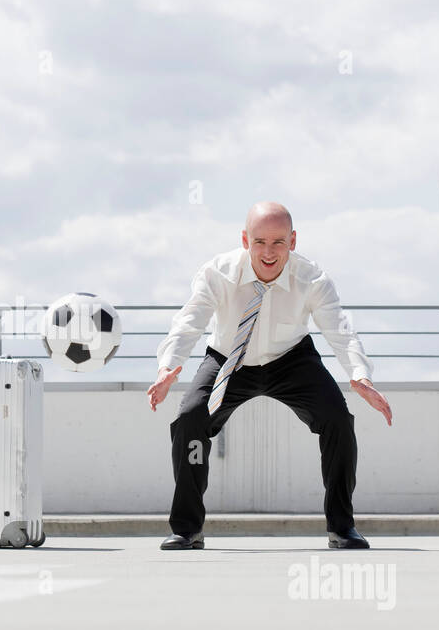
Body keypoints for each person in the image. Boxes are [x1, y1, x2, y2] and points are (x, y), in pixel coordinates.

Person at [146, 202, 393, 551]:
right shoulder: (218, 272)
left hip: (291, 359)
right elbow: (190, 321)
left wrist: (360, 375)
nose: (268, 252)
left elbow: (340, 330)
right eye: (260, 241)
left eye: (278, 242)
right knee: (190, 420)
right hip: (228, 358)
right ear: (245, 240)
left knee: (337, 418)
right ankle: (187, 528)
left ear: (293, 241)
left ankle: (342, 526)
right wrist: (169, 366)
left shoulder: (311, 278)